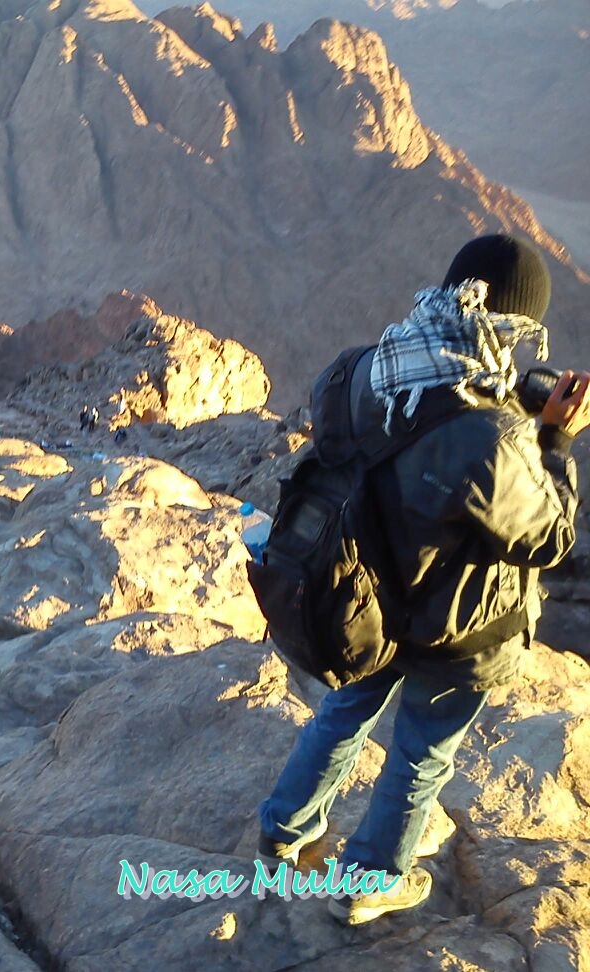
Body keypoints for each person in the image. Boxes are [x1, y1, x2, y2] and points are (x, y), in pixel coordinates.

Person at [257, 234, 588, 926]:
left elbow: (408, 452)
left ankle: (285, 831)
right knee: (420, 754)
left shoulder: (356, 371)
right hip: (457, 628)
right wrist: (552, 440)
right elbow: (548, 535)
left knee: (343, 712)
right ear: (507, 326)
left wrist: (503, 421)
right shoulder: (490, 435)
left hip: (365, 603)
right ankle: (369, 880)